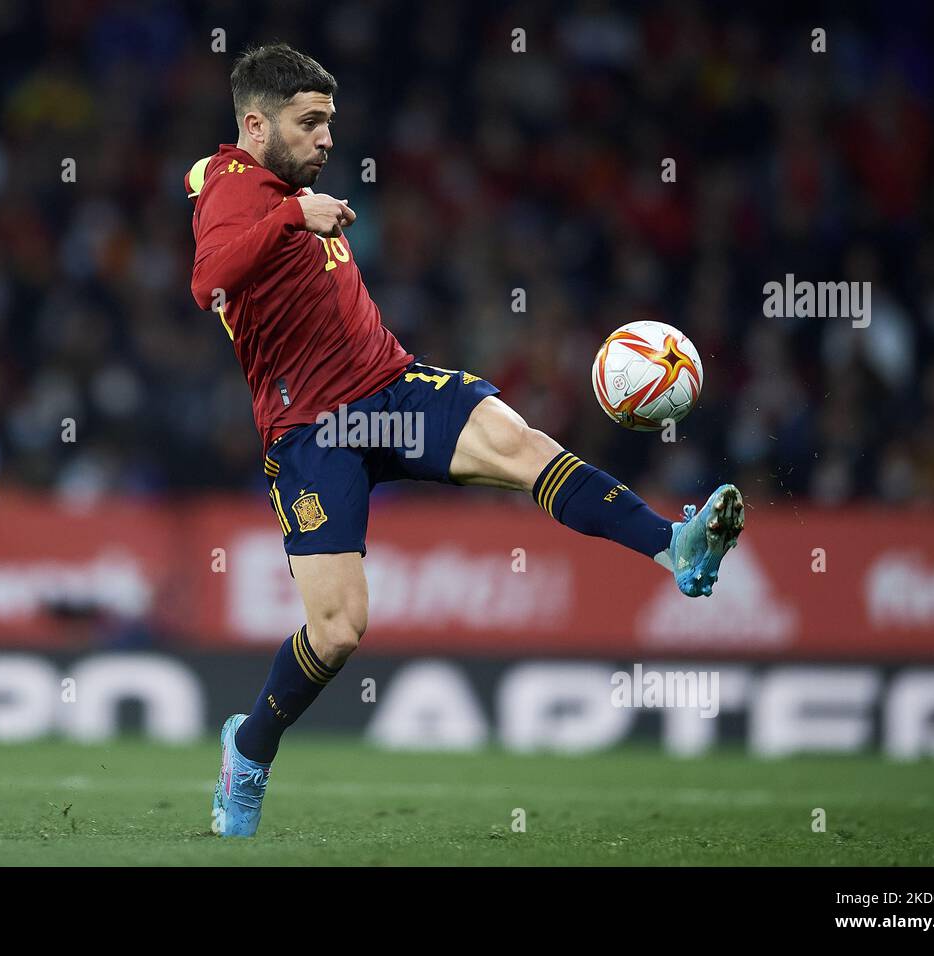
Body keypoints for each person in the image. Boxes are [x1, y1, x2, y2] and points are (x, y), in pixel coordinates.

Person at [185, 43, 745, 837]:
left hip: (390, 387)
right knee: (340, 629)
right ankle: (249, 748)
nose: (326, 141)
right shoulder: (234, 188)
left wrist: (296, 209)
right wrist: (289, 216)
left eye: (330, 124)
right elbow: (207, 279)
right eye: (309, 124)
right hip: (313, 434)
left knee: (523, 445)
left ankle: (674, 546)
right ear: (255, 123)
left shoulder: (287, 189)